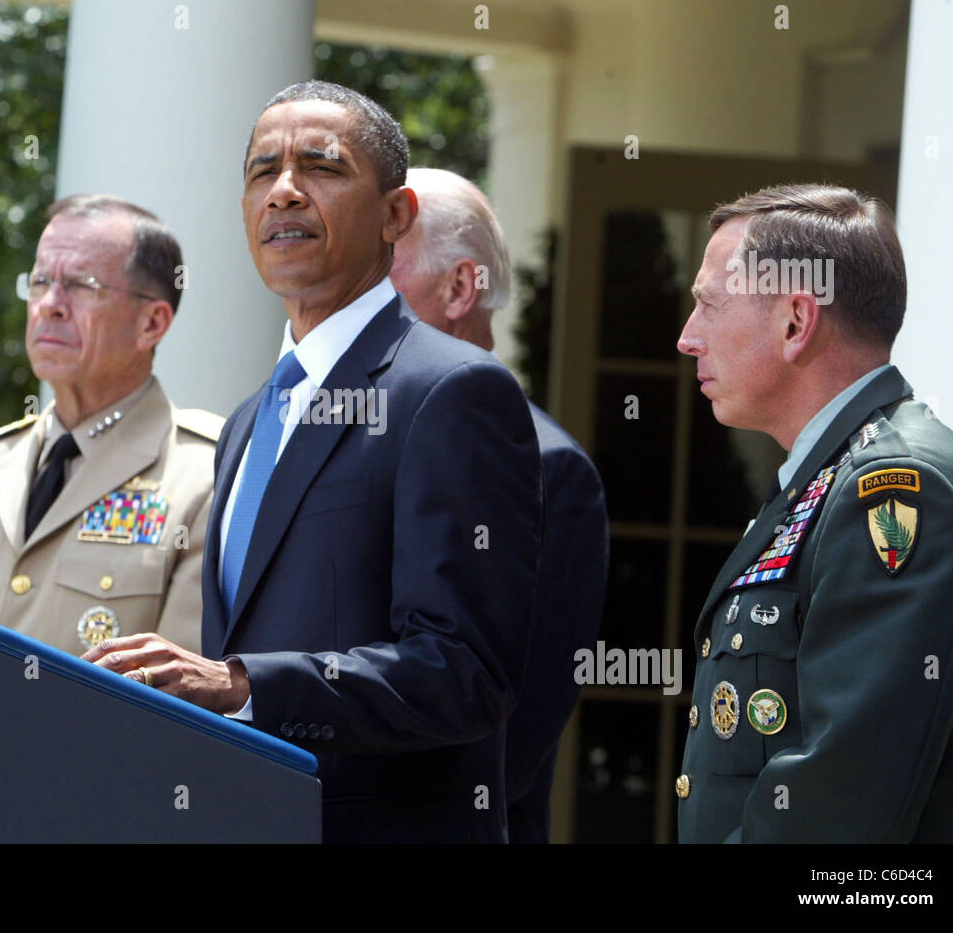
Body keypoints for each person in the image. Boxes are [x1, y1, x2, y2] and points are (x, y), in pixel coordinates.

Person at [82, 81, 542, 843]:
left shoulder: (453, 392)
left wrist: (239, 684)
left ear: (396, 214)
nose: (284, 191)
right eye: (262, 172)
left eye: (322, 168)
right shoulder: (246, 423)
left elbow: (466, 672)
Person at [675, 183, 953, 842]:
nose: (687, 338)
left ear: (795, 321)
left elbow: (837, 808)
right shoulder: (830, 478)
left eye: (707, 306)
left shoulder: (897, 490)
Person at [390, 167, 608, 843]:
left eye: (379, 268)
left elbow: (509, 747)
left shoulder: (550, 469)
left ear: (459, 288)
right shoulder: (340, 440)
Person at [0, 195, 221, 655]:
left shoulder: (208, 477)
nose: (49, 305)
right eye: (39, 282)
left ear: (151, 323)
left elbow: (179, 702)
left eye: (81, 285)